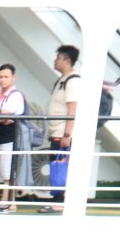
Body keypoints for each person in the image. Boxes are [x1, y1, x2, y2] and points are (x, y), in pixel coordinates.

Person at [39, 44, 81, 214]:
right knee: (56, 165)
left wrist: (67, 135)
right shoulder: (62, 80)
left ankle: (61, 202)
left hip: (63, 133)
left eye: (58, 58)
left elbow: (73, 109)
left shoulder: (73, 80)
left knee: (61, 166)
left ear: (67, 60)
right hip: (56, 132)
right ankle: (58, 200)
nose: (55, 61)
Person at [0, 63, 25, 213]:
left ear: (13, 78)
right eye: (0, 76)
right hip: (3, 136)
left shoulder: (16, 95)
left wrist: (0, 115)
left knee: (9, 171)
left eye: (6, 77)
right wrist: (1, 116)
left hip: (12, 137)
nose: (2, 80)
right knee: (5, 170)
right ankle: (6, 202)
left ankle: (9, 202)